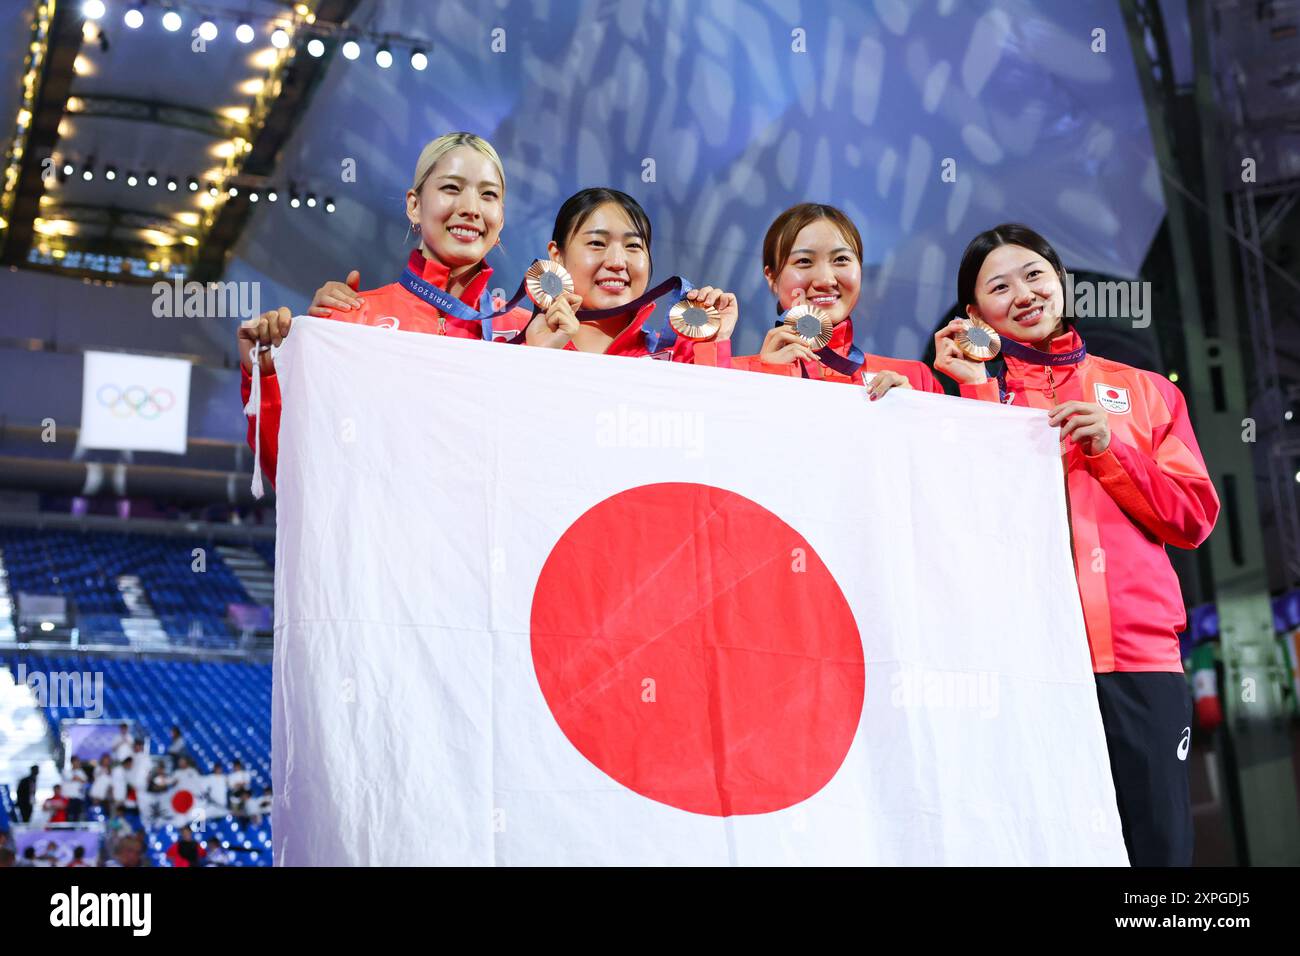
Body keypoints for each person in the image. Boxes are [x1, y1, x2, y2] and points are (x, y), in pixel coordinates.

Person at [933, 222, 1221, 867]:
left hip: (1137, 657)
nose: (1024, 293)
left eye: (1034, 274)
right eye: (999, 286)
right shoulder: (961, 395)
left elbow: (1194, 516)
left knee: (1159, 856)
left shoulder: (1147, 391)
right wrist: (971, 391)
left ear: (1060, 282)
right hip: (1019, 660)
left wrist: (1110, 449)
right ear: (975, 312)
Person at [237, 131, 510, 489]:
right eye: (451, 188)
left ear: (500, 218)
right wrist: (267, 374)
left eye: (488, 194)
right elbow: (293, 473)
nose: (471, 208)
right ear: (414, 205)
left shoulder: (525, 335)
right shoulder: (351, 319)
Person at [731, 203, 944, 399]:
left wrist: (914, 411)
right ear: (772, 278)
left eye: (841, 259)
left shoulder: (915, 379)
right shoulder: (730, 375)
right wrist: (765, 379)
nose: (825, 280)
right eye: (804, 261)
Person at [64, 756, 88, 822]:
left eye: (78, 761)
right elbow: (73, 778)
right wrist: (79, 779)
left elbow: (85, 781)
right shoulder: (67, 772)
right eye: (76, 761)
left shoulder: (82, 772)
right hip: (69, 798)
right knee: (68, 816)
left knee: (77, 816)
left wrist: (78, 778)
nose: (78, 763)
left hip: (79, 797)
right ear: (72, 762)